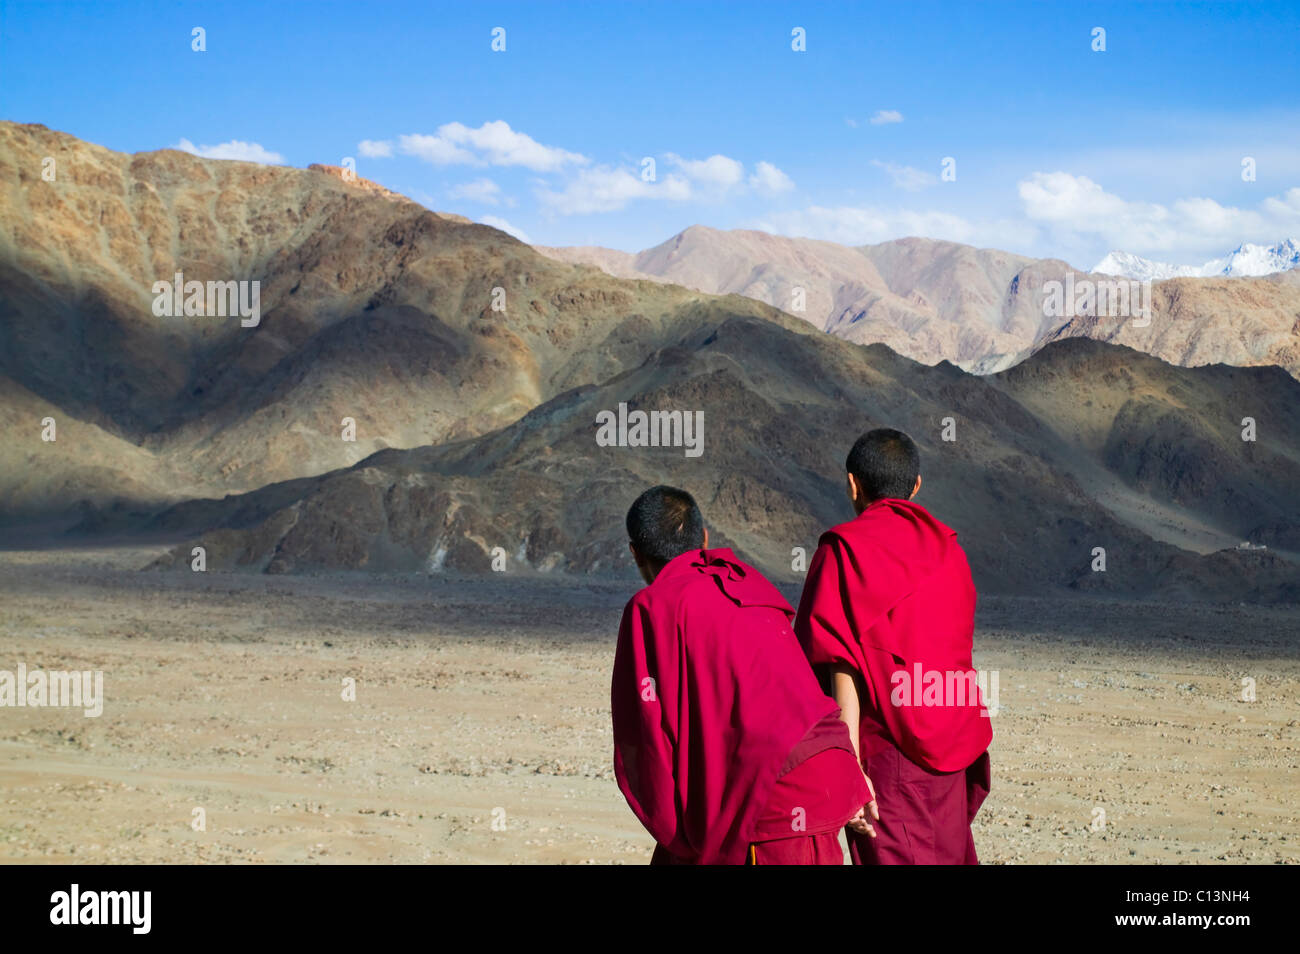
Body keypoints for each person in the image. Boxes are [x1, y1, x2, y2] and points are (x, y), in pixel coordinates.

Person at [611, 485, 872, 864]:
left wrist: (684, 834)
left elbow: (647, 738)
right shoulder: (750, 584)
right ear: (703, 539)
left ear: (635, 552)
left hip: (768, 800)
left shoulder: (651, 609)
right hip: (828, 775)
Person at [794, 429, 992, 865]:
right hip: (953, 742)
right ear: (916, 486)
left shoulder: (844, 550)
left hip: (888, 757)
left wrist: (849, 767)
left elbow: (839, 663)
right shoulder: (950, 550)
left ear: (852, 484)